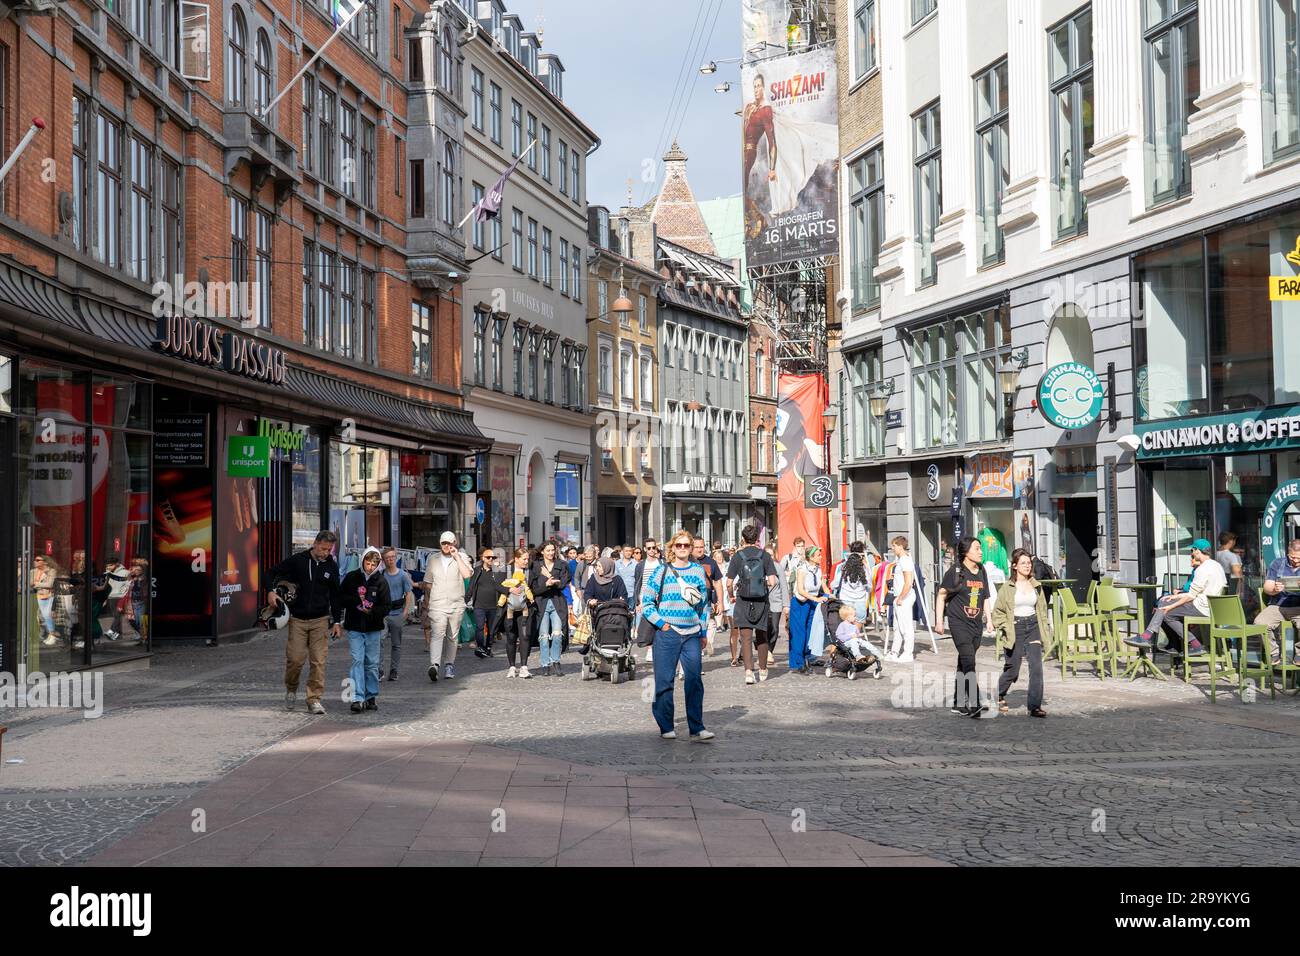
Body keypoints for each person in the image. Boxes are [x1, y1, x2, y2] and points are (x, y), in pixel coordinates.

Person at [642, 530, 713, 741]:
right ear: (672, 548)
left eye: (686, 545)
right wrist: (662, 624)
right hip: (668, 633)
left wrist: (702, 630)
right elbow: (646, 603)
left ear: (692, 549)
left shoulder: (699, 571)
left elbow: (704, 605)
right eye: (678, 545)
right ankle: (665, 725)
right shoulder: (661, 572)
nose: (682, 548)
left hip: (691, 633)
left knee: (693, 680)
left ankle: (697, 727)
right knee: (664, 681)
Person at [269, 530, 343, 715]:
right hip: (297, 619)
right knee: (295, 660)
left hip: (320, 619)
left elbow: (335, 595)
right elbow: (272, 572)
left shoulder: (331, 567)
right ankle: (291, 688)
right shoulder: (298, 561)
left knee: (318, 661)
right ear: (315, 543)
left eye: (329, 550)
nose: (326, 552)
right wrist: (270, 591)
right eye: (324, 548)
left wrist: (337, 621)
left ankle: (314, 699)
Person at [1124, 539, 1226, 656]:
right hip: (1211, 606)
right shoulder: (1217, 566)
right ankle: (1190, 644)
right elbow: (1196, 592)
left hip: (1202, 607)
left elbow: (1191, 596)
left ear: (1198, 551)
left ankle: (1148, 636)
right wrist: (1172, 597)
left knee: (1165, 612)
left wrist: (1171, 605)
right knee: (1164, 603)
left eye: (1192, 550)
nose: (1191, 554)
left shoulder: (1202, 569)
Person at [936, 536, 993, 717]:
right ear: (966, 552)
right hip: (958, 622)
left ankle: (959, 703)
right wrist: (939, 621)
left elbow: (985, 597)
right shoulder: (955, 572)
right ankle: (975, 702)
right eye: (977, 548)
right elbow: (941, 595)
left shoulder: (982, 570)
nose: (980, 551)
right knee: (969, 660)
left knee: (964, 662)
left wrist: (989, 620)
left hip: (976, 624)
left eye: (981, 548)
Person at [991, 549, 1050, 718]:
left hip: (1033, 627)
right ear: (1015, 566)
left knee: (1036, 667)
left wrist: (1045, 630)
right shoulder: (1007, 588)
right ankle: (999, 693)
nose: (1027, 566)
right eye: (1023, 563)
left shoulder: (1036, 586)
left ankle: (1034, 706)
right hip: (1014, 627)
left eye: (1029, 563)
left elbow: (1043, 611)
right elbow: (998, 613)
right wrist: (1004, 626)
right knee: (1013, 668)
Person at [725, 522, 779, 684]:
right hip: (761, 601)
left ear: (743, 538)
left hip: (742, 599)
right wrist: (762, 586)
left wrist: (731, 595)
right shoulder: (765, 556)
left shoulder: (738, 556)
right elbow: (773, 581)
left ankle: (749, 672)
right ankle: (763, 669)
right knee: (762, 634)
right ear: (757, 539)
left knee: (746, 636)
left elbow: (728, 582)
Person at [340, 546, 391, 714]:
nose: (370, 567)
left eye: (373, 564)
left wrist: (372, 611)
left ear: (378, 565)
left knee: (371, 663)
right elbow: (342, 597)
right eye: (367, 563)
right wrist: (357, 602)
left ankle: (370, 696)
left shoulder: (381, 581)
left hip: (373, 627)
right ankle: (357, 697)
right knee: (357, 660)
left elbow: (386, 606)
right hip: (354, 625)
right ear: (362, 561)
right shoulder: (352, 577)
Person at [423, 531, 473, 681]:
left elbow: (467, 575)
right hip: (437, 604)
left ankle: (449, 664)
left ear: (454, 542)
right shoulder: (433, 559)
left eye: (449, 543)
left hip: (456, 603)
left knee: (452, 636)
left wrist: (457, 556)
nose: (446, 546)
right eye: (444, 543)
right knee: (437, 634)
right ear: (440, 544)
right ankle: (435, 665)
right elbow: (428, 583)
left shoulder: (462, 557)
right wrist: (431, 600)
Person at [1253, 537, 1300, 665]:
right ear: (1288, 553)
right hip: (1278, 604)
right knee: (1260, 623)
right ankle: (1273, 653)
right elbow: (1267, 587)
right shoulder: (1278, 563)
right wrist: (1275, 589)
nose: (1295, 561)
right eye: (1293, 557)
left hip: (1298, 606)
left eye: (1298, 558)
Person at [530, 541, 571, 676]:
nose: (551, 553)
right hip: (541, 603)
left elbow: (564, 583)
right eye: (548, 550)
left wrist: (553, 581)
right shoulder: (536, 566)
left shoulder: (562, 564)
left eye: (552, 550)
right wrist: (546, 584)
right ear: (542, 551)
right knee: (543, 637)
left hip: (557, 602)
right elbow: (534, 589)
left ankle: (556, 661)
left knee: (558, 634)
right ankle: (545, 664)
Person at [790, 545, 831, 673]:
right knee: (799, 633)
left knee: (810, 632)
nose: (820, 557)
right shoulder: (802, 569)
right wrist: (816, 599)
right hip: (801, 603)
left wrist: (830, 595)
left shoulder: (818, 569)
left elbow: (824, 586)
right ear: (811, 557)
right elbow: (801, 590)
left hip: (813, 602)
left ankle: (808, 658)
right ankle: (798, 663)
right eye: (818, 555)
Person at [499, 548, 534, 678]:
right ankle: (512, 667)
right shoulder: (507, 569)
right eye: (524, 559)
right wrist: (509, 589)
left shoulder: (529, 571)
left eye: (527, 558)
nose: (526, 561)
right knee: (511, 637)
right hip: (508, 608)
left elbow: (534, 587)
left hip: (525, 609)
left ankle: (524, 667)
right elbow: (496, 585)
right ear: (517, 559)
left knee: (525, 636)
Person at [379, 547, 413, 680]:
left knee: (396, 643)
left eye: (392, 557)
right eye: (388, 558)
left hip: (398, 613)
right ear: (384, 560)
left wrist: (405, 611)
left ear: (396, 557)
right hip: (383, 614)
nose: (391, 560)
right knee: (380, 640)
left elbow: (408, 593)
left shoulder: (402, 575)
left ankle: (394, 670)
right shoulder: (381, 575)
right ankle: (379, 669)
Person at [468, 547, 505, 660]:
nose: (491, 559)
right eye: (488, 557)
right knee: (479, 627)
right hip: (479, 604)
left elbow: (503, 585)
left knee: (491, 629)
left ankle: (488, 648)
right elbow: (471, 586)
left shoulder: (498, 571)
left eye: (493, 557)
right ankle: (480, 647)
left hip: (494, 605)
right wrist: (466, 599)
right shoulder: (477, 570)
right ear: (483, 558)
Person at [887, 536, 918, 662]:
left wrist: (901, 597)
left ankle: (908, 653)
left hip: (904, 597)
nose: (892, 548)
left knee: (906, 626)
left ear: (900, 546)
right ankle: (894, 651)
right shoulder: (901, 560)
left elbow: (909, 582)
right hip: (899, 596)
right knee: (897, 626)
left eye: (894, 545)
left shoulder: (905, 560)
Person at [833, 603, 885, 676]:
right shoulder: (842, 625)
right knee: (854, 641)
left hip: (855, 641)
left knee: (865, 643)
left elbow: (857, 634)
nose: (856, 618)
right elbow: (839, 636)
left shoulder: (854, 626)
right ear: (848, 617)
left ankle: (877, 653)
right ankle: (858, 656)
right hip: (846, 643)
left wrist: (859, 636)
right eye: (854, 616)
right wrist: (850, 636)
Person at [833, 542, 871, 625]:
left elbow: (834, 585)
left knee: (846, 628)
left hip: (845, 600)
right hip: (860, 601)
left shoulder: (842, 567)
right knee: (856, 630)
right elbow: (869, 586)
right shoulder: (865, 568)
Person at [32, 555, 58, 645]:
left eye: (38, 560)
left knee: (47, 616)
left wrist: (36, 584)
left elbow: (50, 584)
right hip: (38, 596)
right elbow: (29, 582)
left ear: (45, 562)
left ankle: (53, 635)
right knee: (42, 617)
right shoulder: (34, 571)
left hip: (48, 596)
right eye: (35, 560)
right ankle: (49, 634)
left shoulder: (51, 571)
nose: (35, 561)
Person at [1214, 531, 1244, 599]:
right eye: (1234, 540)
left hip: (1217, 584)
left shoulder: (1214, 554)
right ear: (1230, 541)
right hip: (1230, 584)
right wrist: (1241, 588)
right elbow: (1237, 573)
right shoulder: (1232, 556)